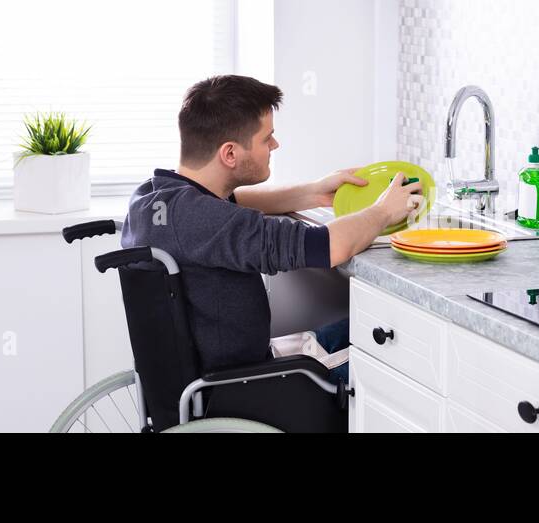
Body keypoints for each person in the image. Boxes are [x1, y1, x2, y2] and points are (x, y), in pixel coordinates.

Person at [121, 75, 420, 384]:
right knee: (402, 352)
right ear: (230, 153)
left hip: (216, 376)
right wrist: (385, 210)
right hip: (248, 389)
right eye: (267, 138)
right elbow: (329, 246)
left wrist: (312, 192)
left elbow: (234, 203)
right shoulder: (209, 221)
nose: (275, 145)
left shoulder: (153, 199)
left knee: (360, 325)